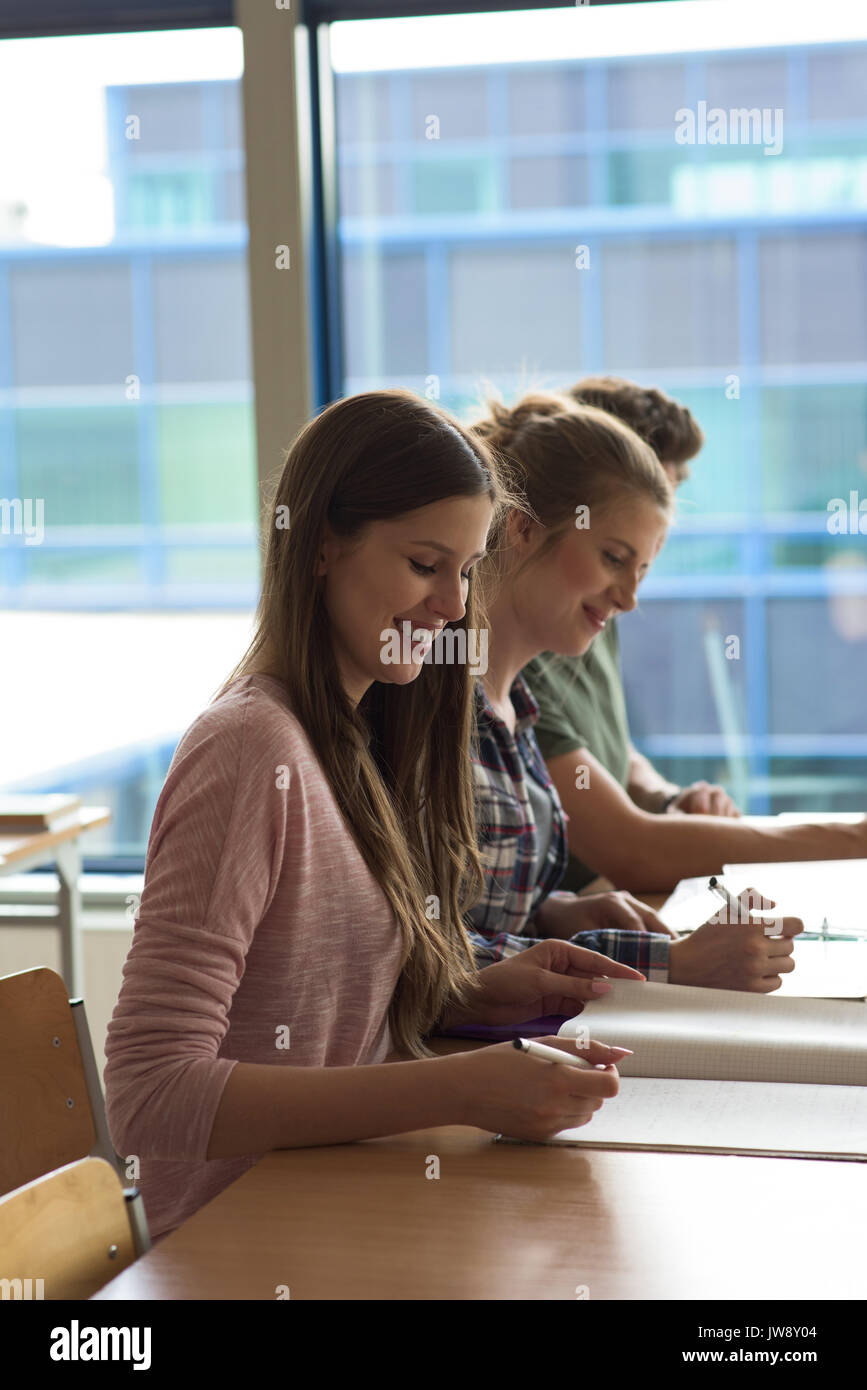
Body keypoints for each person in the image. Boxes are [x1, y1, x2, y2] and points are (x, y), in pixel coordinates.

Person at [102, 389, 635, 1240]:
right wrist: (456, 1087)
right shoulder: (248, 749)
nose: (455, 607)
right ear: (320, 547)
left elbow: (314, 1021)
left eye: (465, 572)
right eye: (426, 566)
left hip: (338, 1202)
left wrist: (462, 991)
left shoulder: (355, 735)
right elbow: (149, 1095)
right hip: (240, 1242)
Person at [466, 390, 806, 988]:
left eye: (641, 570)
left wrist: (561, 917)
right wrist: (669, 964)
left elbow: (473, 914)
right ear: (522, 528)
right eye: (613, 558)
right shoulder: (437, 705)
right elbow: (412, 953)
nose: (629, 598)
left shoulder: (515, 705)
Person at [501, 379, 867, 894]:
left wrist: (667, 799)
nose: (629, 596)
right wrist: (850, 840)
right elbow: (630, 849)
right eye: (616, 551)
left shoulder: (576, 613)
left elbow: (605, 750)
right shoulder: (523, 643)